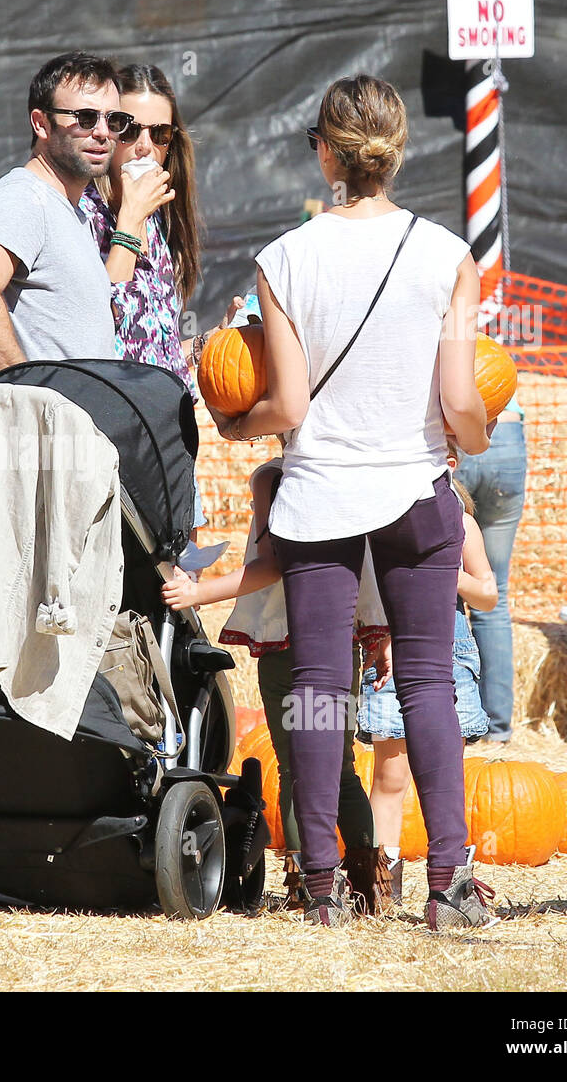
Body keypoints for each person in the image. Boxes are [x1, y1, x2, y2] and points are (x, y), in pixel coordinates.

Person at [214, 75, 494, 929]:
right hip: (415, 488)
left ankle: (323, 883)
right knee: (427, 686)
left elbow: (287, 409)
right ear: (398, 151)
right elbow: (460, 408)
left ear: (327, 154)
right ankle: (448, 881)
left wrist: (234, 424)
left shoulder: (285, 258)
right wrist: (475, 435)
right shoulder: (448, 254)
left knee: (317, 690)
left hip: (319, 495)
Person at [162, 454, 389, 913]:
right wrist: (377, 635)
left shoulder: (276, 476)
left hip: (294, 651)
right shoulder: (358, 467)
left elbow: (276, 562)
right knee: (340, 767)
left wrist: (197, 592)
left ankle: (310, 882)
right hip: (340, 646)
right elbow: (369, 564)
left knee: (297, 768)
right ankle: (371, 884)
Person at [359, 445, 497, 904]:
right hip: (387, 650)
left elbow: (488, 593)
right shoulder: (373, 517)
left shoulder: (460, 523)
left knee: (443, 774)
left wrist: (445, 574)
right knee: (390, 776)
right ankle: (381, 884)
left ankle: (449, 879)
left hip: (446, 650)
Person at [78, 63, 207, 531]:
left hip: (166, 437)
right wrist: (128, 219)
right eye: (130, 128)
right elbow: (100, 318)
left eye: (162, 133)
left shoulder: (156, 221)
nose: (146, 146)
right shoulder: (84, 215)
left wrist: (207, 345)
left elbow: (149, 344)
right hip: (114, 439)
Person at [0, 51, 129, 380]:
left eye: (114, 120)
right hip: (35, 429)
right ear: (41, 123)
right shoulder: (23, 197)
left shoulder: (71, 213)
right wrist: (27, 391)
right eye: (86, 118)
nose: (103, 132)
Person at [457, 394, 529, 740]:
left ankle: (451, 714)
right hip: (508, 437)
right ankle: (497, 727)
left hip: (456, 438)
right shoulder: (486, 346)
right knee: (494, 597)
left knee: (435, 583)